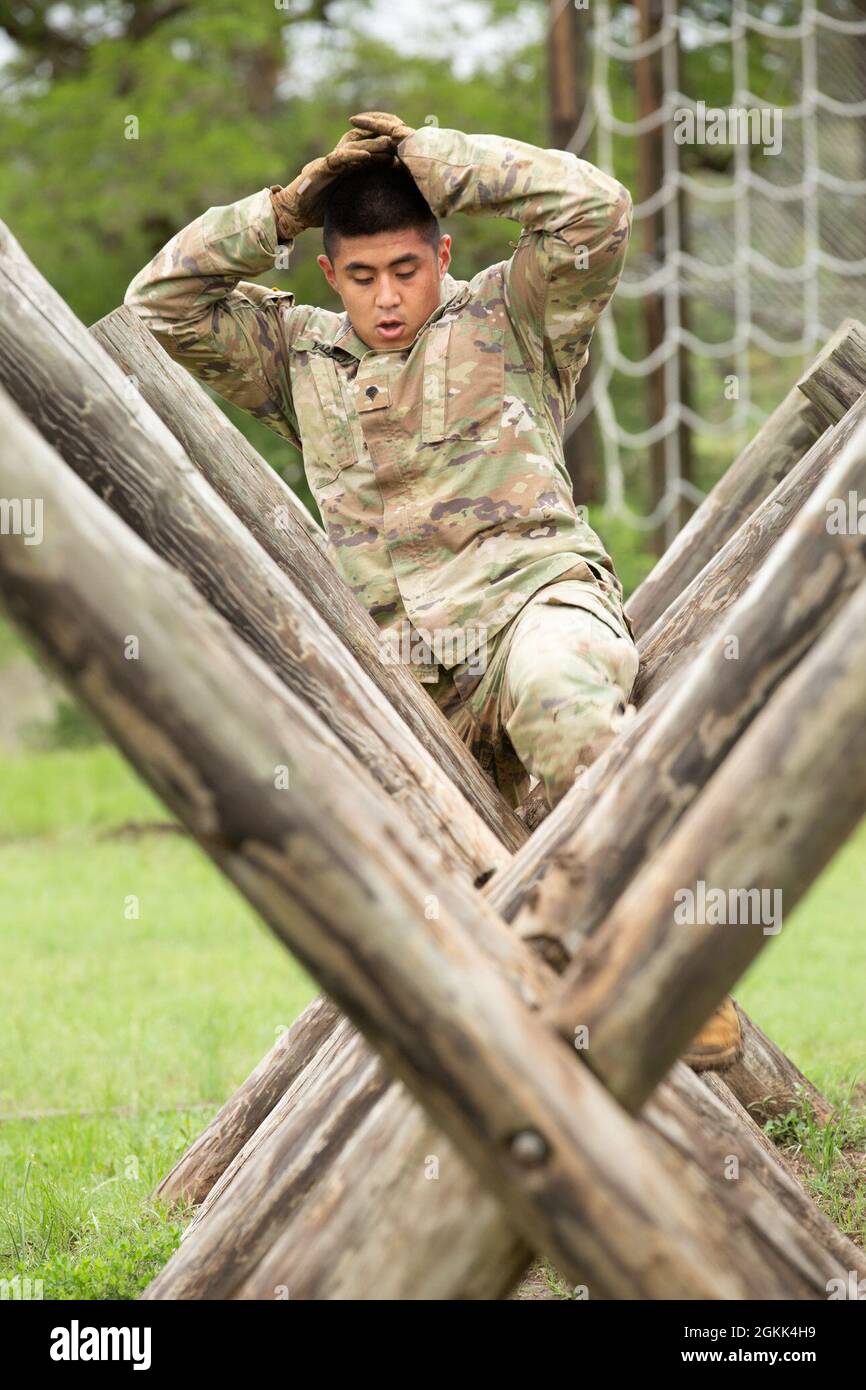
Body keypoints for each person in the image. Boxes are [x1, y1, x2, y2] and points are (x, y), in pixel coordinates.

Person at [125, 110, 741, 1071]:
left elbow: (600, 210)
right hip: (415, 687)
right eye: (362, 276)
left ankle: (675, 967)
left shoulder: (512, 314)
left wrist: (444, 159)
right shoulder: (300, 358)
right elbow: (159, 304)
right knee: (436, 927)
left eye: (407, 270)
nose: (386, 297)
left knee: (563, 701)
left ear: (442, 254)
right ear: (331, 276)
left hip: (537, 606)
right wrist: (283, 211)